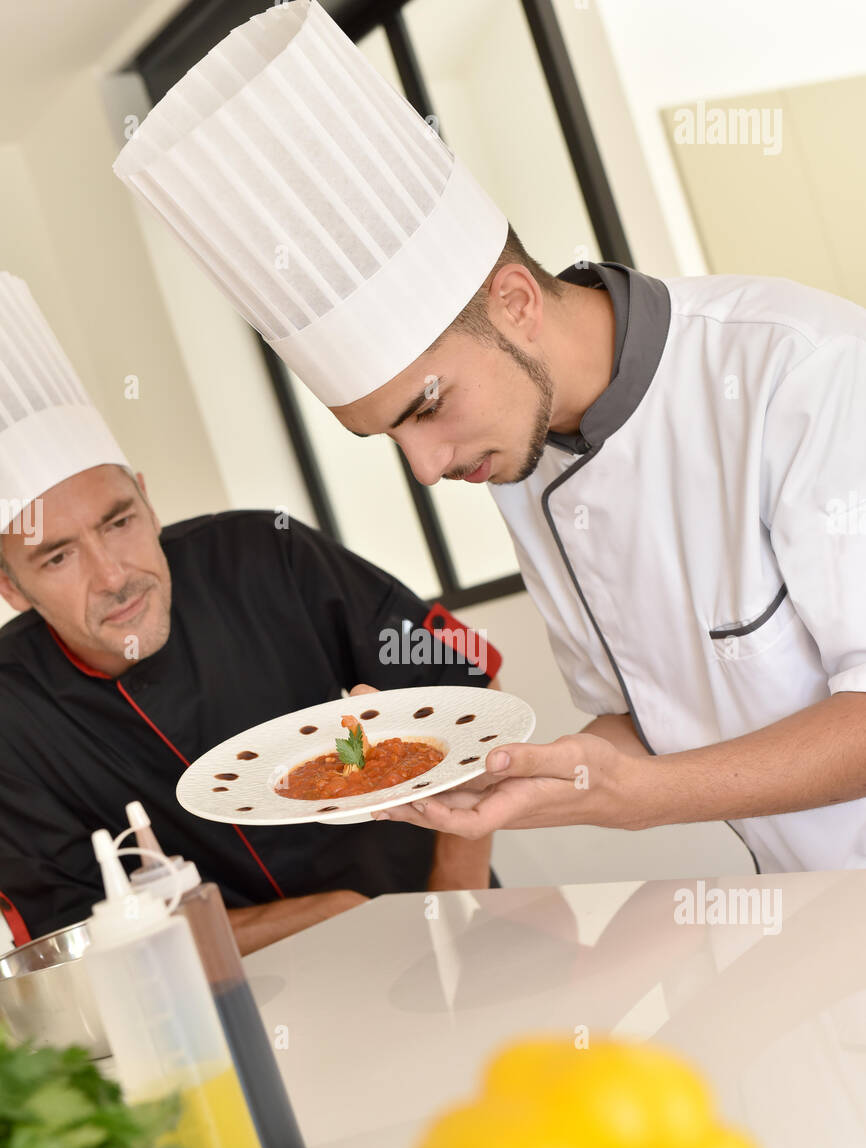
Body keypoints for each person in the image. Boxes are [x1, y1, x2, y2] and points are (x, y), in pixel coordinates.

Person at [113, 0, 866, 874]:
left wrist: (638, 798)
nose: (427, 469)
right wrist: (483, 768)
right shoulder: (519, 457)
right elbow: (642, 720)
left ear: (515, 303)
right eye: (387, 438)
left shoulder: (802, 372)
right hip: (812, 903)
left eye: (426, 408)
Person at [0, 273, 496, 955]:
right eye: (58, 557)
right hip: (232, 995)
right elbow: (80, 934)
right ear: (10, 587)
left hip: (441, 919)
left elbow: (467, 692)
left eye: (119, 522)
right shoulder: (11, 715)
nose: (113, 576)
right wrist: (336, 916)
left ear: (146, 500)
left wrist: (459, 908)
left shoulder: (265, 553)